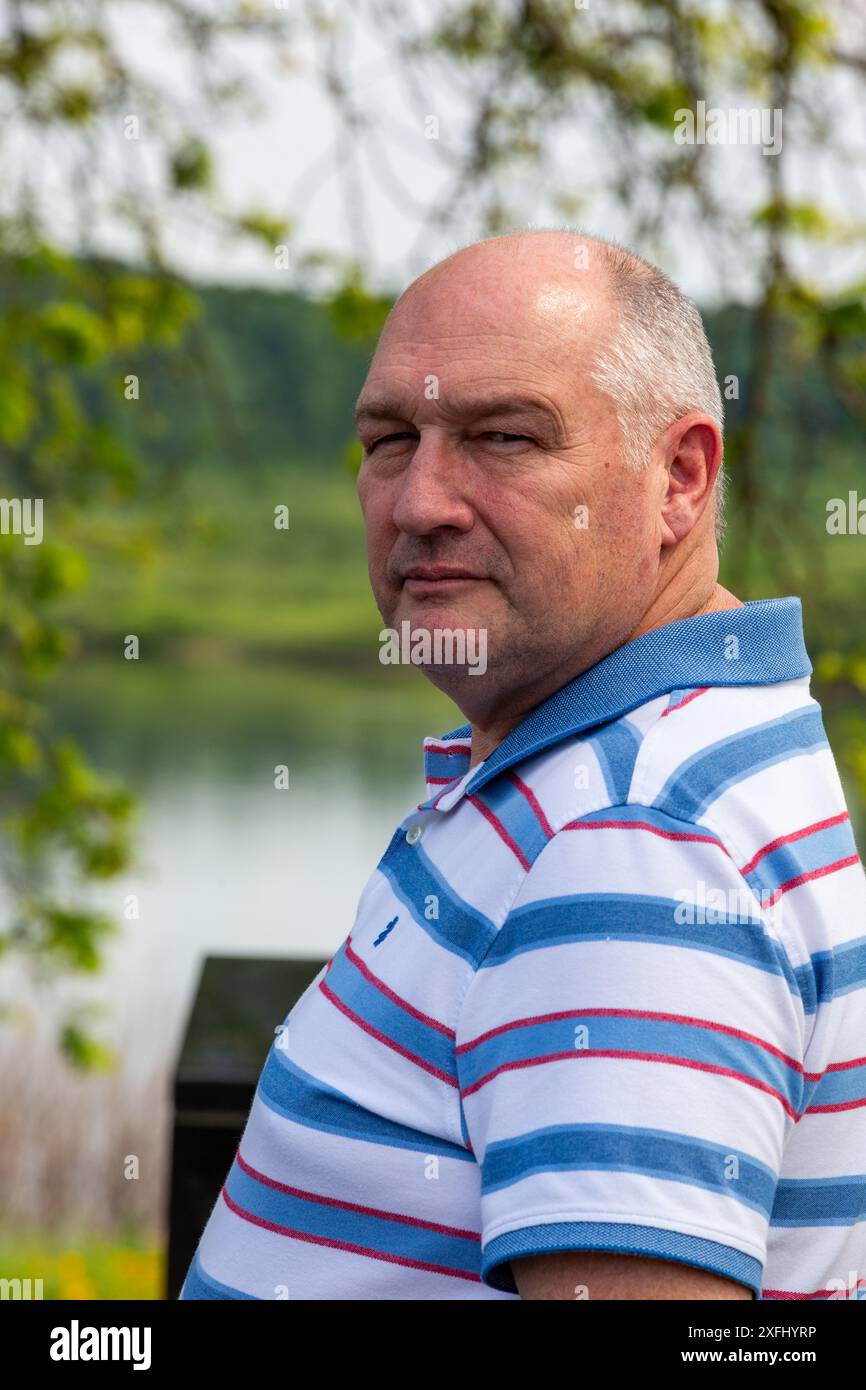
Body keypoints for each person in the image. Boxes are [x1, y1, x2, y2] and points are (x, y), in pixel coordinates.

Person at [180, 229, 866, 1300]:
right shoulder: (616, 764)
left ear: (678, 478)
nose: (418, 502)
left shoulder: (634, 846)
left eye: (502, 436)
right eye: (391, 439)